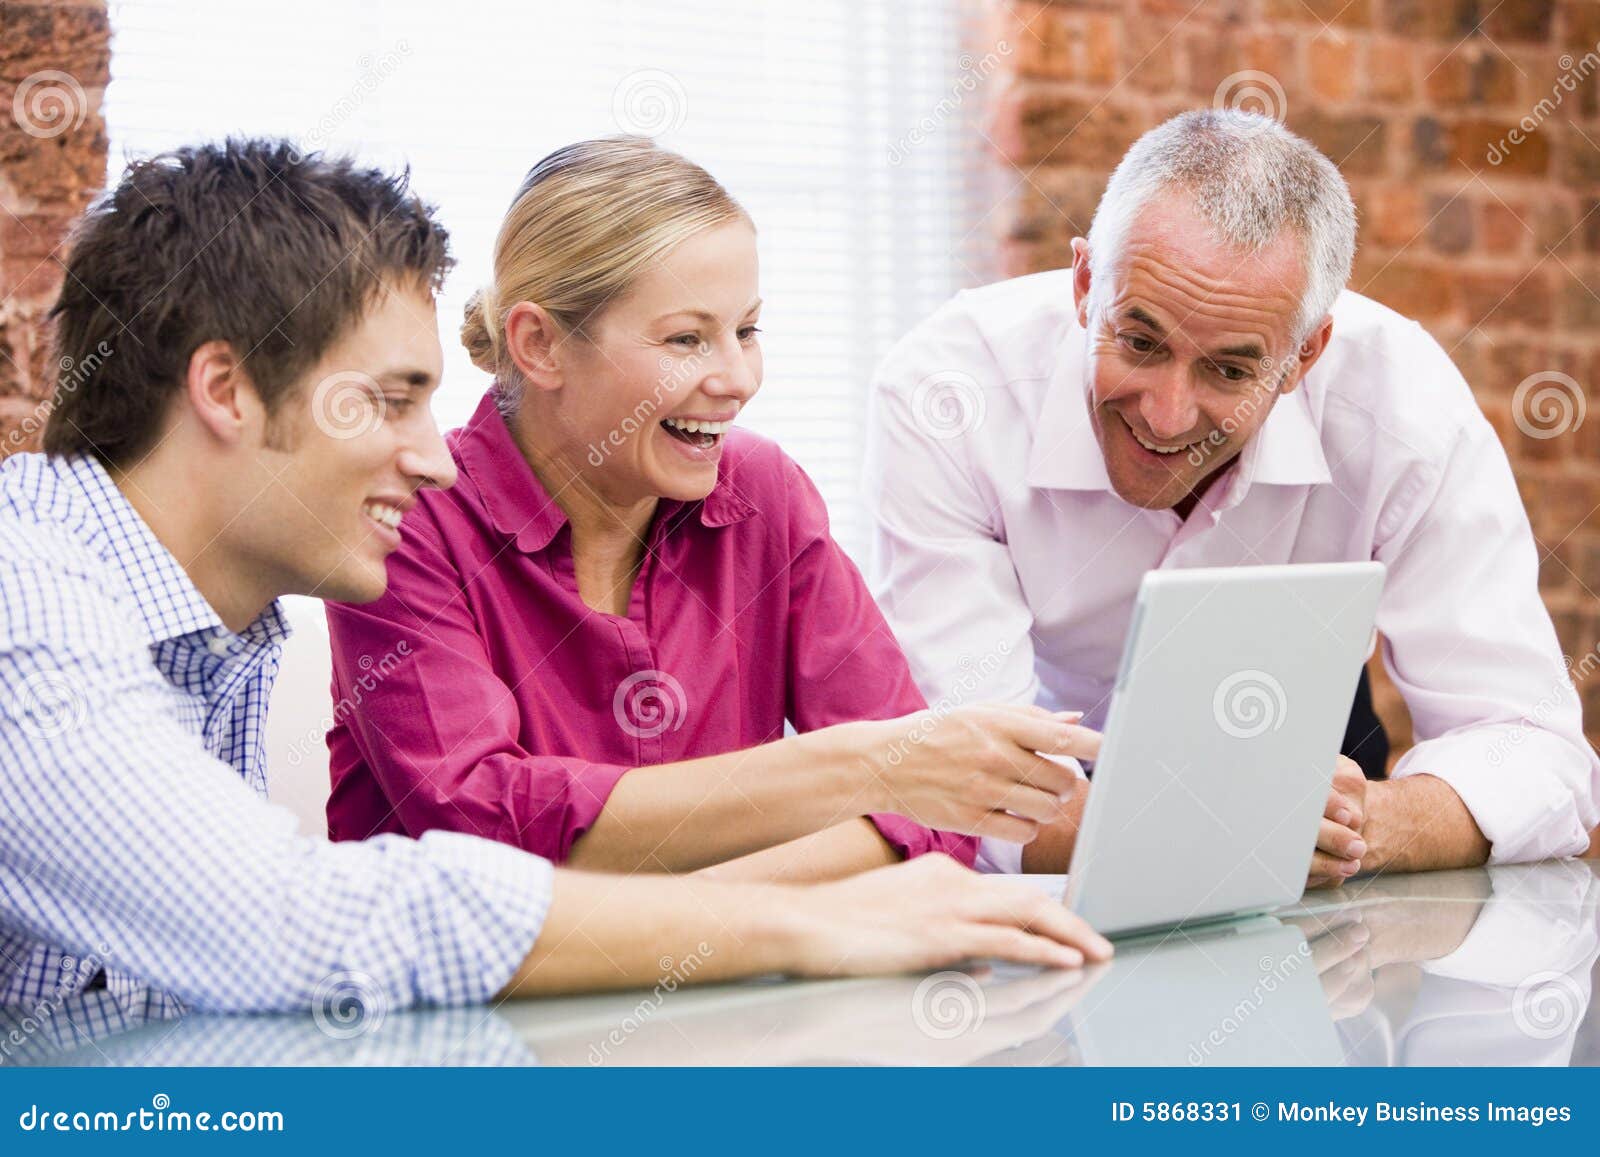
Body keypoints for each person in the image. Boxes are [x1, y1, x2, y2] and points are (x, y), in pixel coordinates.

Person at [0, 138, 1112, 1016]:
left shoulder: (216, 634)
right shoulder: (30, 603)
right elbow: (298, 922)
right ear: (226, 392)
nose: (433, 452)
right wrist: (805, 916)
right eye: (390, 400)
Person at [322, 137, 1097, 881]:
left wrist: (699, 922)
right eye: (687, 339)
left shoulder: (763, 496)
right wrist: (840, 776)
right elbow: (481, 832)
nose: (738, 377)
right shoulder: (410, 517)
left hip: (732, 998)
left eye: (747, 330)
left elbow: (929, 810)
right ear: (540, 344)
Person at [865, 109, 1599, 885]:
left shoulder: (1402, 406)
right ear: (1085, 286)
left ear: (1304, 354)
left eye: (1228, 371)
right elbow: (954, 775)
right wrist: (1210, 831)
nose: (1166, 414)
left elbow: (1535, 749)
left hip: (1319, 786)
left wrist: (1365, 826)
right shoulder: (947, 395)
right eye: (1140, 342)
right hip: (1055, 805)